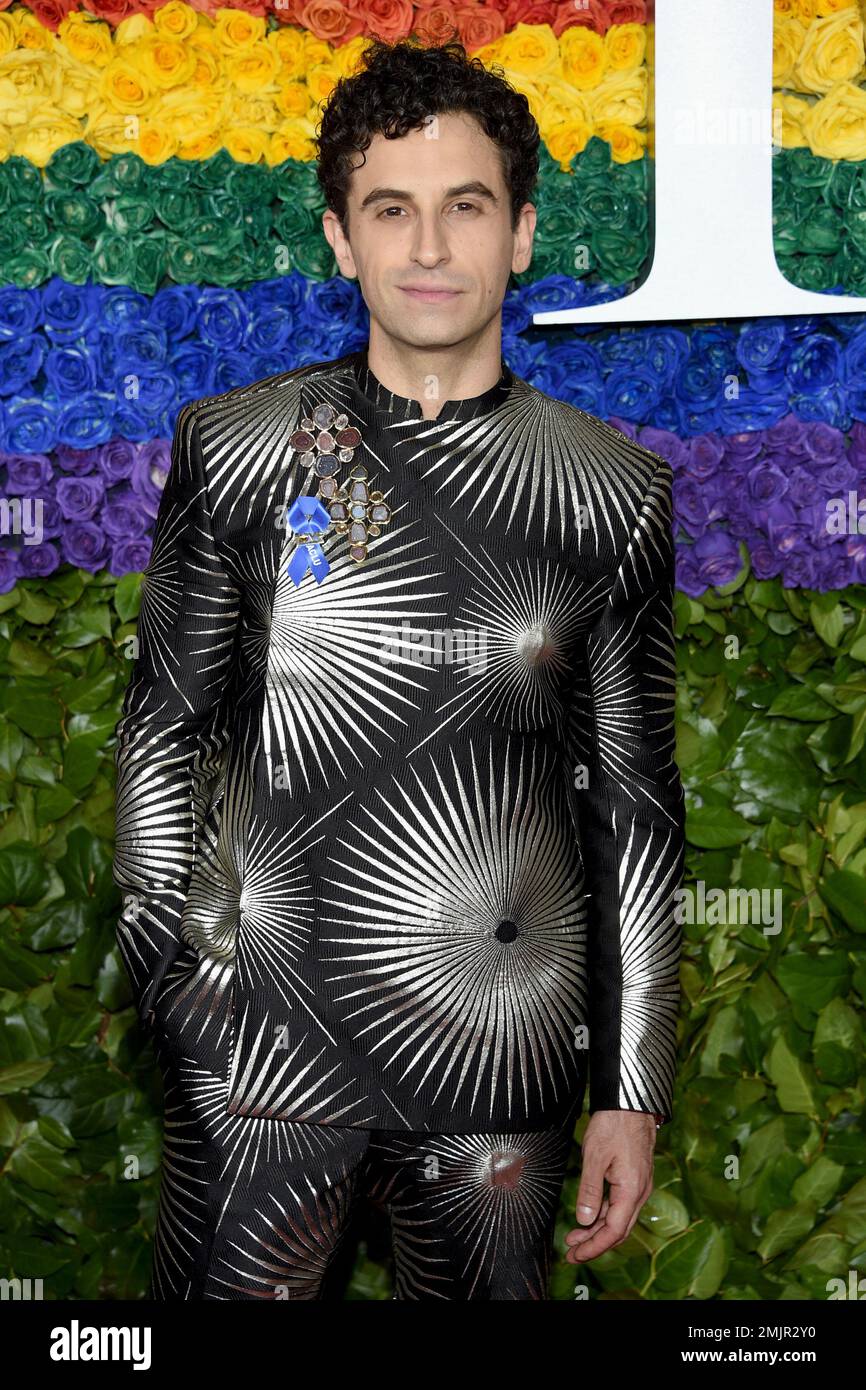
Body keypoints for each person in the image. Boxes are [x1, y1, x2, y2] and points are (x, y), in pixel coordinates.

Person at [112, 37, 686, 1301]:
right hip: (255, 1064)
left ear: (521, 232)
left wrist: (627, 1087)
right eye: (392, 209)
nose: (429, 246)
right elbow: (163, 727)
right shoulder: (238, 450)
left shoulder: (610, 491)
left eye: (464, 206)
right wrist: (174, 985)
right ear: (340, 238)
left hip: (499, 1074)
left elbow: (631, 807)